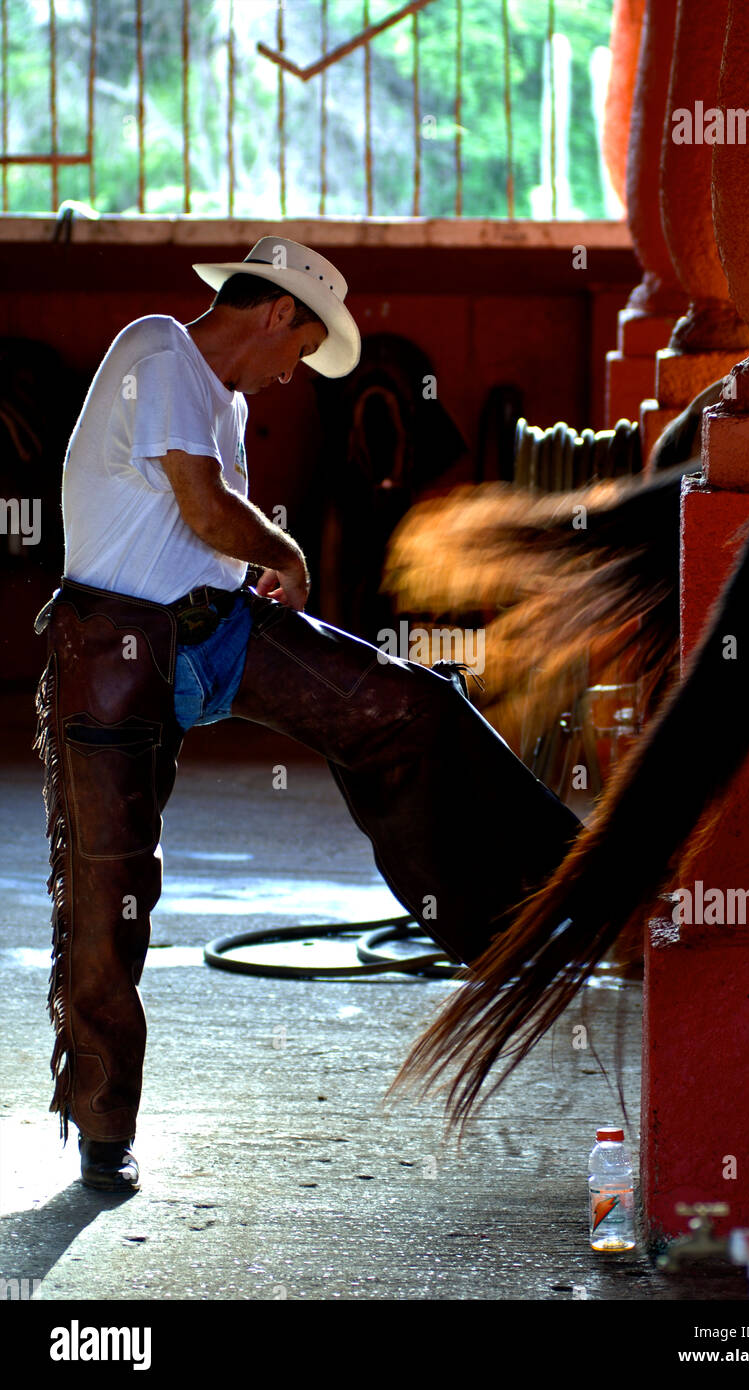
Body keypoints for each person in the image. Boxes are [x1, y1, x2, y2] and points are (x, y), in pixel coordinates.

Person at [34, 235, 582, 1193]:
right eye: (304, 345)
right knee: (106, 897)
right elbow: (206, 511)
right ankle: (102, 1129)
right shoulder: (163, 348)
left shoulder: (230, 404)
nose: (296, 374)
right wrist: (283, 552)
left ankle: (541, 901)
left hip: (214, 631)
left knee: (406, 705)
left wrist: (255, 568)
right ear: (280, 310)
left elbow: (200, 537)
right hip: (114, 652)